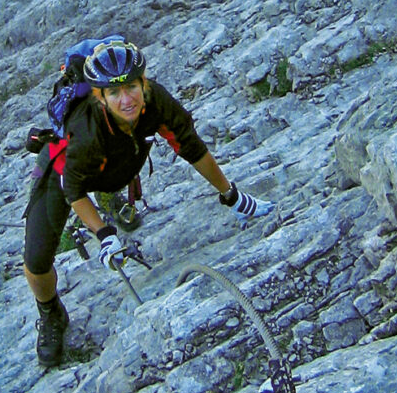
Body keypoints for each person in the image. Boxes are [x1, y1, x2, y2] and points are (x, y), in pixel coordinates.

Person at [22, 38, 274, 367]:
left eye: (131, 88)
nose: (126, 99)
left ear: (144, 83)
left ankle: (110, 196)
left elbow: (191, 147)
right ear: (99, 97)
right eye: (114, 92)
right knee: (37, 258)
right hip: (66, 172)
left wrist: (232, 195)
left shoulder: (157, 102)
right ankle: (51, 312)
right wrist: (103, 234)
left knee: (120, 157)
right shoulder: (84, 131)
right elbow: (73, 190)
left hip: (119, 159)